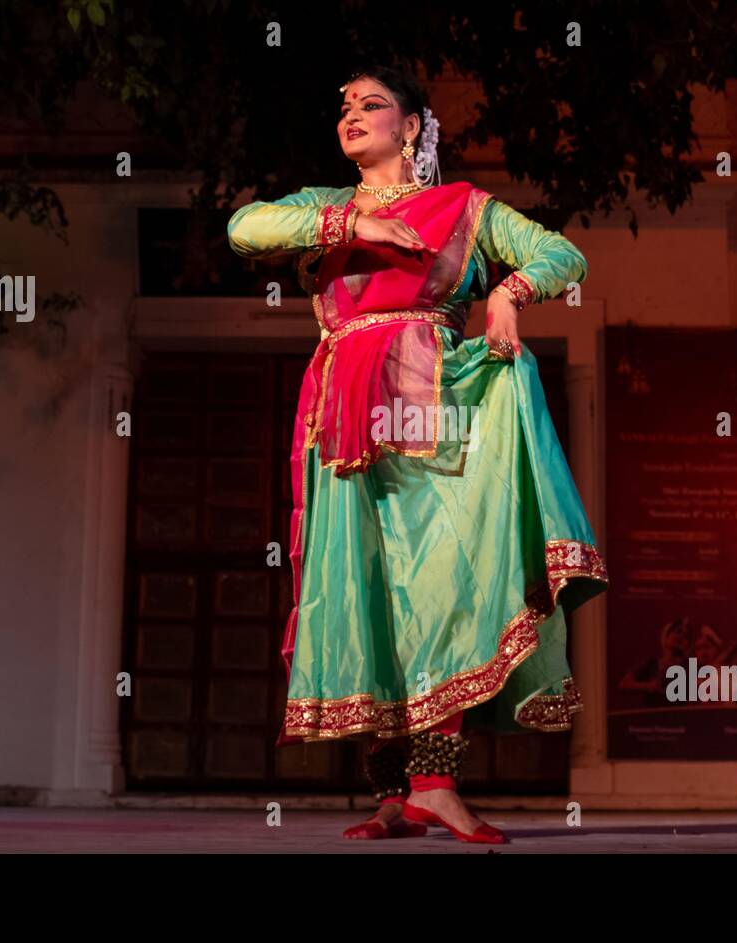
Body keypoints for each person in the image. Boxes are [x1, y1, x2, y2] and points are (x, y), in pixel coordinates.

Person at [227, 65, 608, 844]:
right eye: (344, 107)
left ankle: (438, 782)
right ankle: (397, 794)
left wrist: (509, 293)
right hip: (338, 408)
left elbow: (563, 254)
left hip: (429, 400)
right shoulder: (322, 209)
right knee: (363, 590)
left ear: (411, 128)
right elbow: (243, 230)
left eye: (373, 105)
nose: (352, 115)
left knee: (439, 585)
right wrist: (353, 229)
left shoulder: (461, 208)